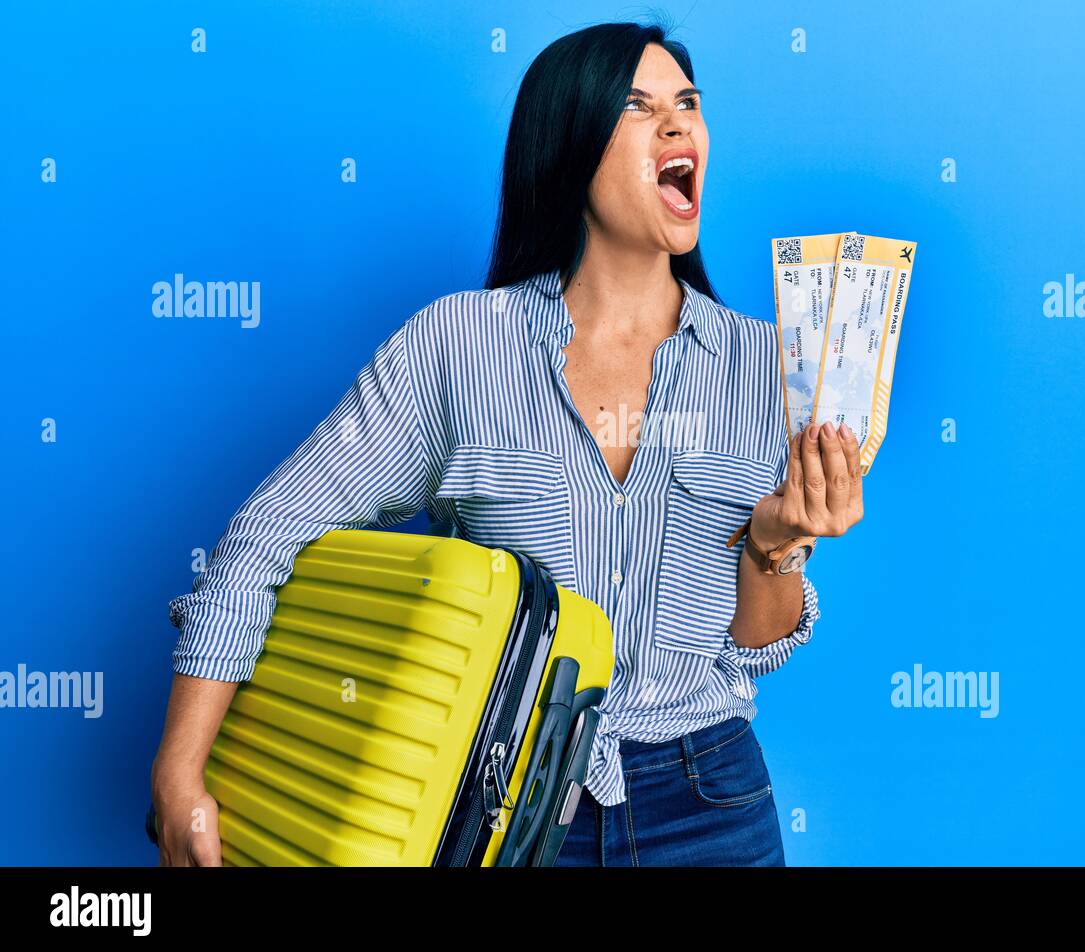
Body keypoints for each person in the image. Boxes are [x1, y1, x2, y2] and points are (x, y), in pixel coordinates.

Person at [151, 19, 864, 868]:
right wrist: (180, 771)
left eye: (688, 104)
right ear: (569, 148)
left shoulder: (767, 367)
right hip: (504, 808)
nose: (678, 125)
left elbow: (753, 643)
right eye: (638, 107)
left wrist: (774, 547)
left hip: (709, 800)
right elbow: (266, 536)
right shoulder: (456, 346)